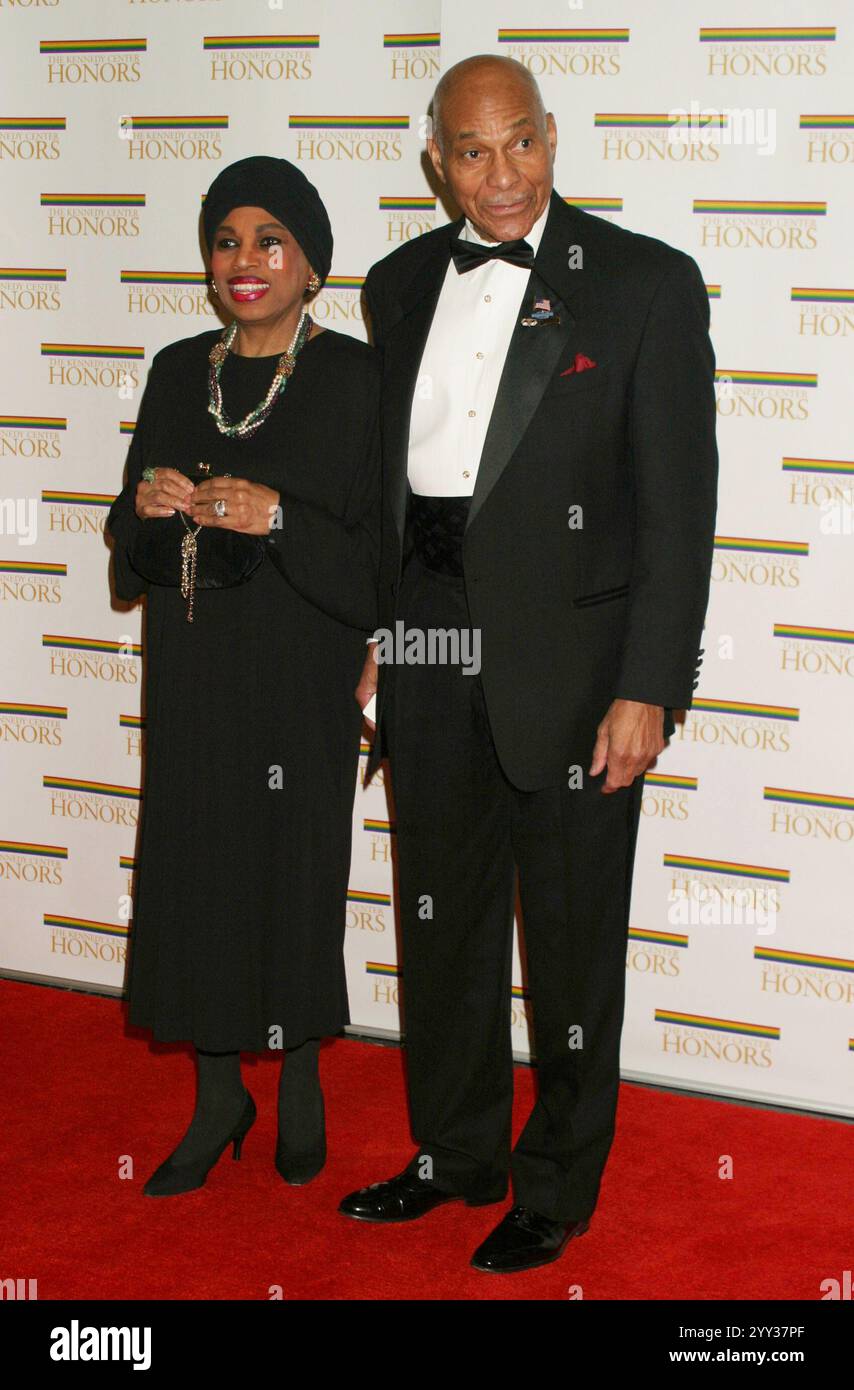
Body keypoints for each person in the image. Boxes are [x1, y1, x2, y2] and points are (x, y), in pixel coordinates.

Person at [344, 55, 718, 1272]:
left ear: (552, 138)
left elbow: (676, 508)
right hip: (428, 642)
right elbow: (395, 496)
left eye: (520, 144)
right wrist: (383, 643)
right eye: (470, 151)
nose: (499, 176)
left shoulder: (643, 285)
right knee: (438, 924)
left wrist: (647, 685)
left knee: (565, 940)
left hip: (574, 669)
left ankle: (556, 1182)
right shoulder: (398, 283)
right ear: (434, 159)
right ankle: (455, 1154)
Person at [106, 156, 380, 1197]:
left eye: (271, 240)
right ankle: (218, 1094)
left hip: (302, 677)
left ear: (312, 263)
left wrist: (278, 518)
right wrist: (147, 506)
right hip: (193, 670)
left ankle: (300, 1076)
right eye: (226, 240)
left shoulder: (355, 377)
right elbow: (123, 552)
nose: (245, 261)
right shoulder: (180, 369)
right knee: (194, 872)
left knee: (292, 869)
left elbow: (382, 559)